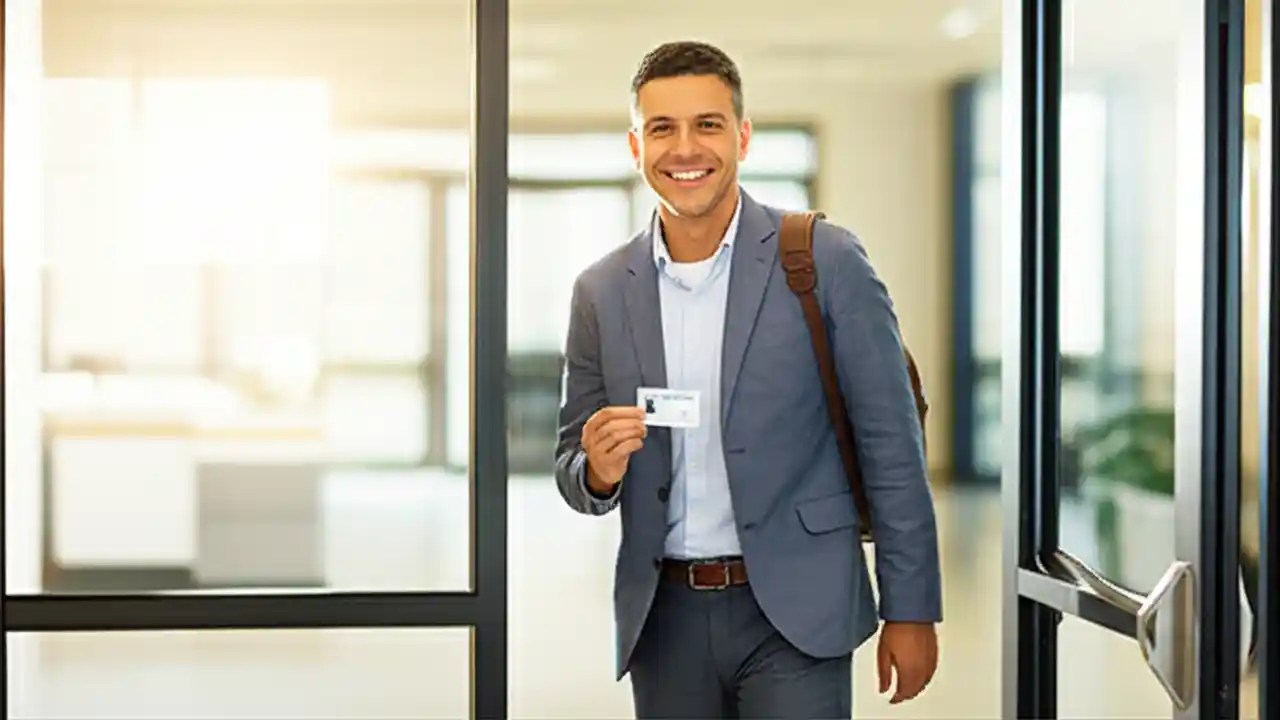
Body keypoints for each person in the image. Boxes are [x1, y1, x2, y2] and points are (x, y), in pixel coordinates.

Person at [553, 39, 942, 719]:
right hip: (664, 616)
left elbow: (892, 445)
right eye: (661, 128)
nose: (685, 149)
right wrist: (598, 470)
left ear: (743, 136)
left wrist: (911, 609)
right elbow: (570, 464)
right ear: (635, 146)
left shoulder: (824, 259)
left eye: (707, 125)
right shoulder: (602, 291)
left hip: (799, 610)